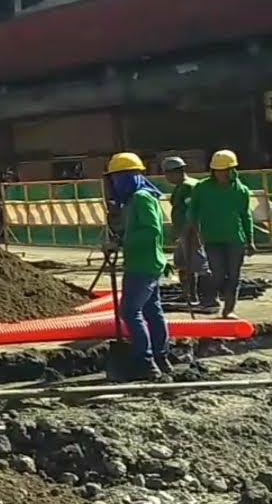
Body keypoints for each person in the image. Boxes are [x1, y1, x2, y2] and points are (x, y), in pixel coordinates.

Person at [103, 152, 171, 380]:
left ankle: (146, 361)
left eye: (117, 178)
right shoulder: (135, 200)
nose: (115, 184)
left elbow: (152, 230)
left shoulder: (141, 198)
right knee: (153, 311)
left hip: (142, 264)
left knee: (130, 311)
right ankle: (161, 357)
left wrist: (122, 242)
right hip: (146, 261)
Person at [187, 149, 254, 318]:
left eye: (225, 170)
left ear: (233, 170)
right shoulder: (202, 188)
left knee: (233, 276)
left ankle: (229, 309)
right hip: (212, 239)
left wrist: (250, 240)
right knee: (216, 274)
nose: (221, 174)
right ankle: (211, 299)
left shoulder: (241, 190)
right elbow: (192, 212)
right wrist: (192, 234)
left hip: (235, 240)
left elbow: (246, 216)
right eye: (218, 171)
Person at [162, 157, 217, 311]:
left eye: (168, 174)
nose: (166, 177)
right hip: (183, 232)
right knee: (182, 264)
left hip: (192, 232)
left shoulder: (188, 187)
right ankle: (188, 294)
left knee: (199, 265)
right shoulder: (181, 186)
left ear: (176, 172)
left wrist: (192, 232)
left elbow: (193, 212)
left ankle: (210, 299)